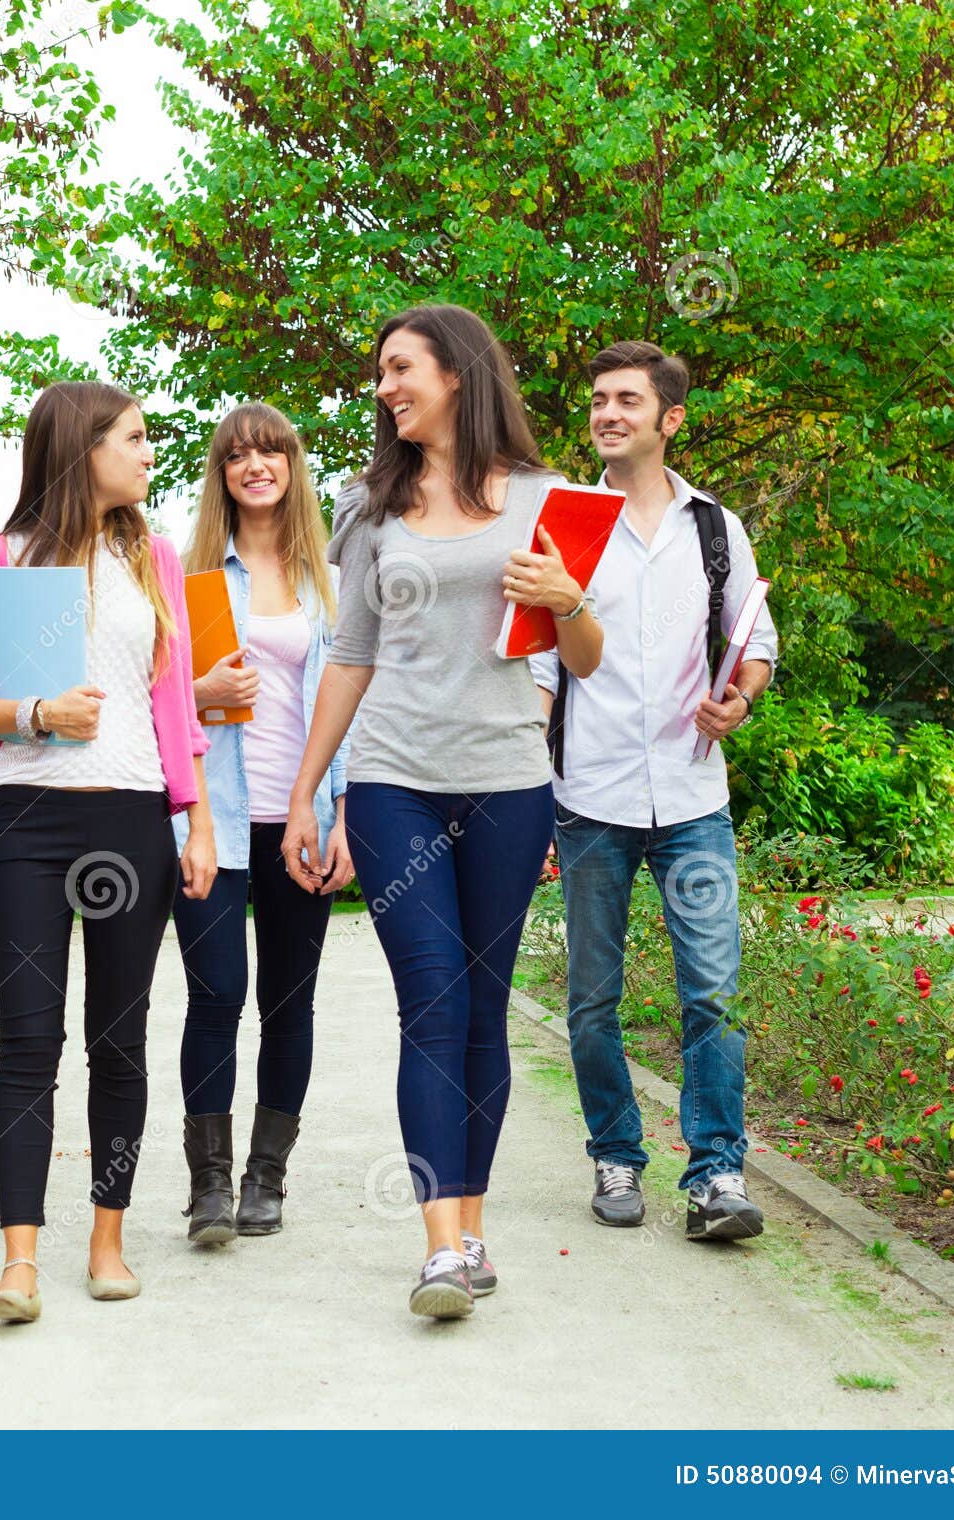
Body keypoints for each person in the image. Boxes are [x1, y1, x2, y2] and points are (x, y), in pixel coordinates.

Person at [283, 305, 602, 1319]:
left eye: (399, 368)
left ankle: (471, 1227)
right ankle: (437, 1246)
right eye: (380, 372)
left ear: (458, 373)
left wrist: (567, 595)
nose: (383, 387)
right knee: (432, 995)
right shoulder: (367, 506)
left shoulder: (549, 501)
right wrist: (309, 789)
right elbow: (350, 654)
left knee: (482, 1002)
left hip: (507, 778)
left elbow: (585, 659)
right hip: (392, 777)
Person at [0, 381, 216, 1324]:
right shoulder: (0, 559)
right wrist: (34, 715)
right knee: (28, 1040)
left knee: (118, 1040)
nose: (148, 455)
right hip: (27, 823)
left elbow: (177, 708)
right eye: (133, 439)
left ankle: (108, 1239)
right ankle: (19, 1264)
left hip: (132, 819)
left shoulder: (157, 560)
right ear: (81, 447)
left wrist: (198, 820)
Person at [528, 339, 778, 1241]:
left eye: (628, 401)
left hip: (692, 796)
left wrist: (737, 700)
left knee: (712, 990)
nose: (607, 414)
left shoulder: (716, 528)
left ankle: (716, 1176)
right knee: (593, 997)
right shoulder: (563, 526)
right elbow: (538, 666)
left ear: (670, 419)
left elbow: (756, 640)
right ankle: (616, 1156)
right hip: (588, 794)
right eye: (599, 400)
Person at [173, 403, 354, 1244]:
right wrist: (199, 696)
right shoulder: (190, 575)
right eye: (238, 453)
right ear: (222, 472)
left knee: (290, 1000)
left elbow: (351, 702)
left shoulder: (330, 579)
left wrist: (340, 811)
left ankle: (265, 1180)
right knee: (215, 992)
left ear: (291, 464)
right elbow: (156, 702)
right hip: (212, 814)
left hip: (301, 811)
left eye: (270, 450)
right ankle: (207, 1185)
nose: (255, 464)